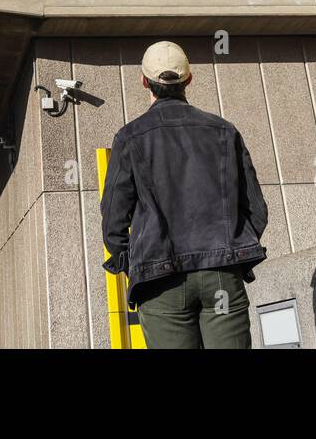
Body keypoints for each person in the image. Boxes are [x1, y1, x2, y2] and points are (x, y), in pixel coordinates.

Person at [100, 40, 268, 349]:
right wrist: (230, 249)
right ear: (188, 79)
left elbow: (113, 222)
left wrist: (133, 261)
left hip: (160, 284)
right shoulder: (224, 131)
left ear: (143, 81)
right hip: (220, 277)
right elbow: (256, 209)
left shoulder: (130, 137)